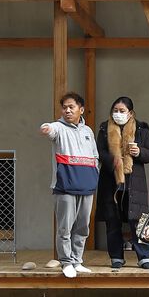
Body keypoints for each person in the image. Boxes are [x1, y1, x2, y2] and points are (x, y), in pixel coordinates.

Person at [38, 92, 98, 279]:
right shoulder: (59, 127)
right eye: (64, 107)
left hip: (86, 185)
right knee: (65, 227)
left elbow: (95, 156)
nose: (67, 110)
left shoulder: (88, 131)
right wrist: (46, 128)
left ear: (81, 109)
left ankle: (77, 260)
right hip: (64, 185)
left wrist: (95, 174)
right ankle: (66, 262)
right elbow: (50, 129)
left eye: (71, 107)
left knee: (83, 226)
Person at [96, 96, 149, 271]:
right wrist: (112, 160)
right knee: (112, 219)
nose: (118, 114)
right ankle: (116, 256)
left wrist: (139, 152)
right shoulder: (103, 128)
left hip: (134, 182)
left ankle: (144, 257)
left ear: (130, 113)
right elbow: (98, 151)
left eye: (122, 111)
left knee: (137, 220)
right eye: (115, 111)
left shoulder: (141, 129)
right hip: (111, 181)